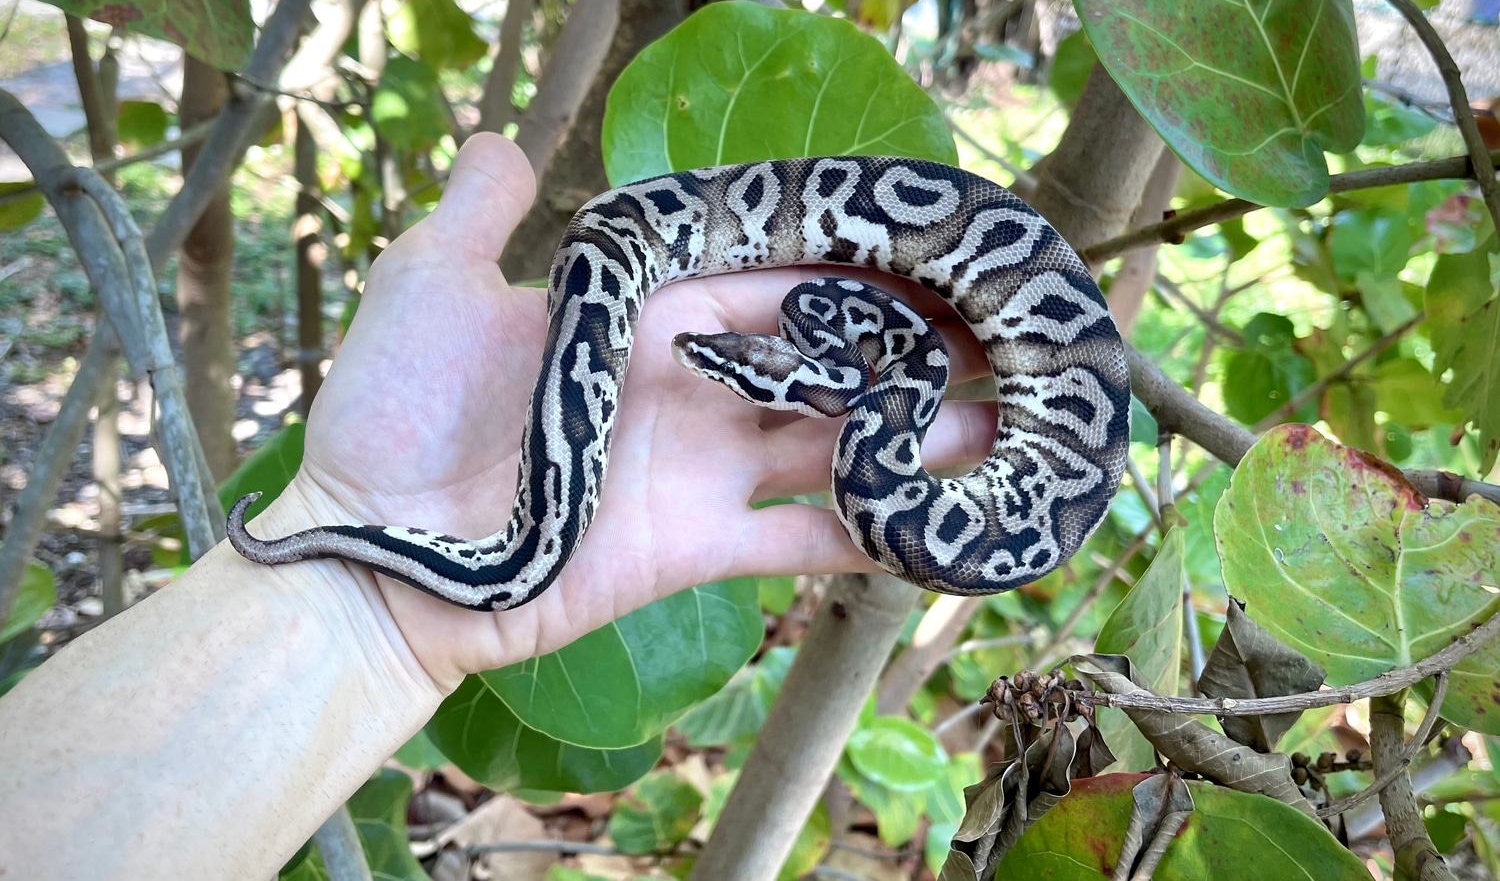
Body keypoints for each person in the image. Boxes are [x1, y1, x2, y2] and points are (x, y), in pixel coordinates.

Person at [0, 134, 996, 879]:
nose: (695, 360)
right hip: (769, 328)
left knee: (612, 286)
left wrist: (353, 617)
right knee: (608, 262)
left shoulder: (846, 381)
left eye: (725, 367)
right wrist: (356, 618)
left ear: (795, 389)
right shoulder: (827, 340)